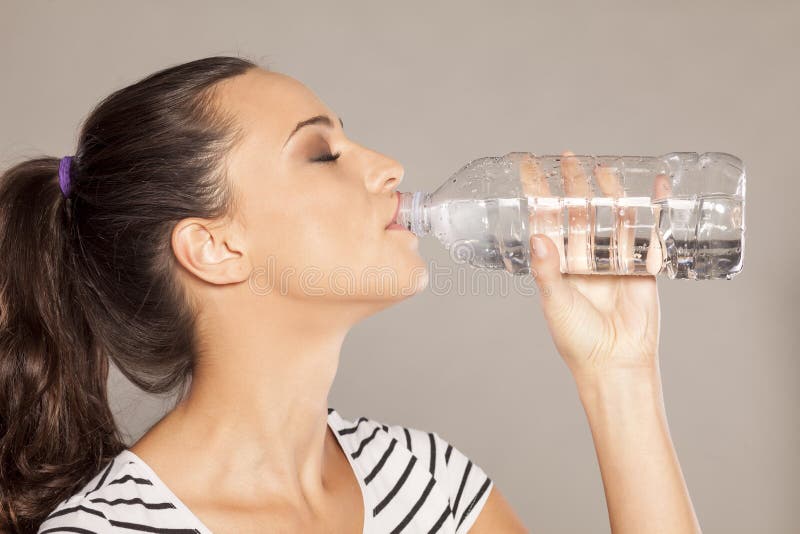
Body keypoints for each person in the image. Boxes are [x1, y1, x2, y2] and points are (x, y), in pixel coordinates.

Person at [0, 56, 701, 533]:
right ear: (215, 248)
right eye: (322, 154)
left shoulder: (426, 483)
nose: (388, 167)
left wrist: (622, 376)